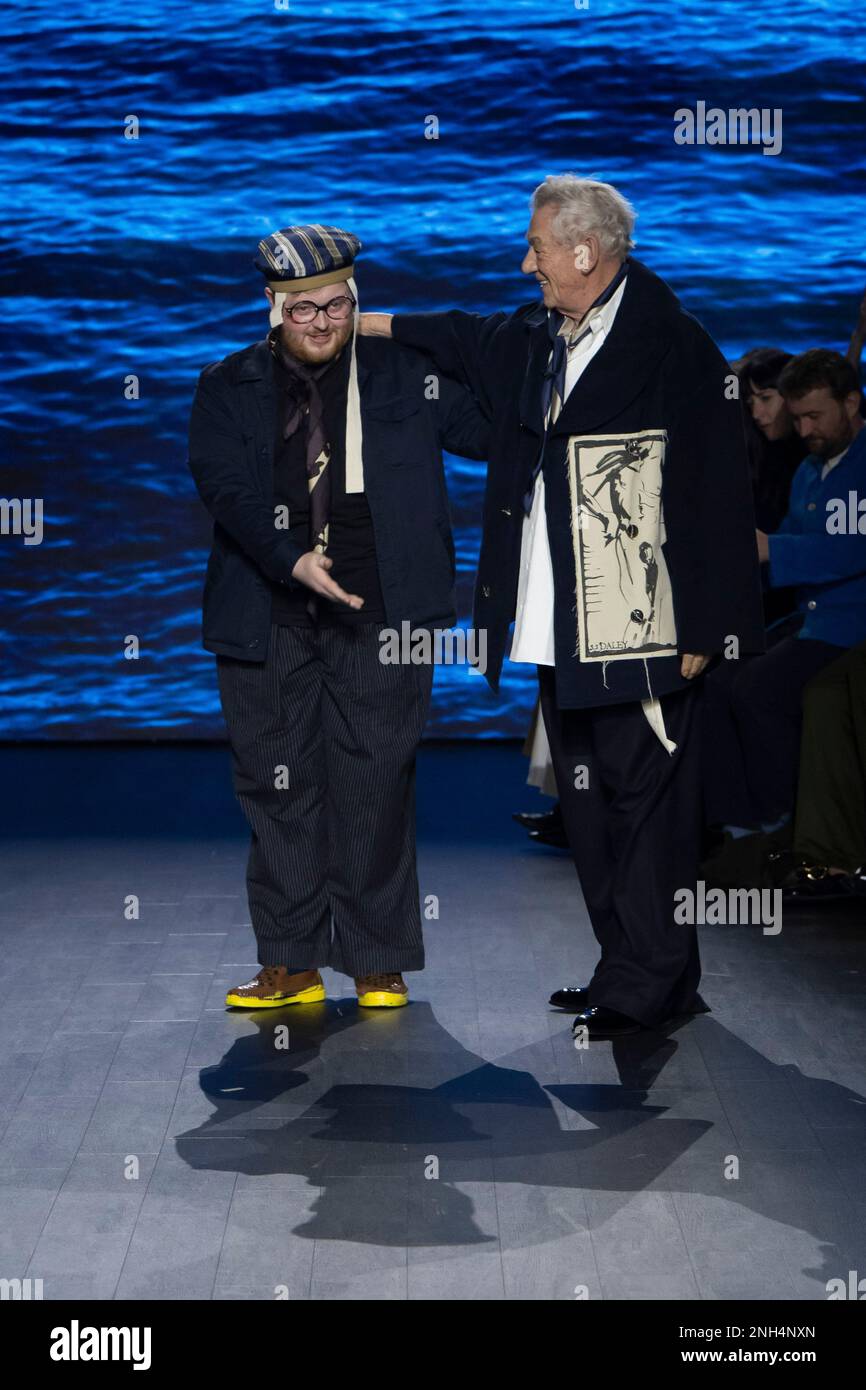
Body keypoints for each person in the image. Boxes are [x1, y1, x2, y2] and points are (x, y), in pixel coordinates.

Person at [360, 175, 765, 1039]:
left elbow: (717, 492)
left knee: (644, 811)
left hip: (641, 624)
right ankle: (640, 971)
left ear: (585, 251)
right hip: (557, 623)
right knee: (587, 811)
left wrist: (707, 625)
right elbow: (463, 337)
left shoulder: (674, 347)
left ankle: (644, 987)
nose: (525, 262)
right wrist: (369, 326)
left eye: (537, 249)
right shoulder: (541, 336)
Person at [188, 224, 488, 1011]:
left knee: (374, 783)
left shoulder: (406, 373)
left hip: (385, 613)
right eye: (303, 311)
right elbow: (225, 487)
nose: (321, 323)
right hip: (268, 609)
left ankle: (376, 958)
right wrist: (291, 559)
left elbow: (494, 433)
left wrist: (458, 339)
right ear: (271, 307)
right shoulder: (226, 383)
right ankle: (290, 962)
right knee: (278, 786)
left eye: (338, 306)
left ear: (358, 301)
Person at [702, 348, 866, 844]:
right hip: (813, 618)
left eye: (815, 416)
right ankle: (734, 823)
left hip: (849, 623)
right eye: (798, 419)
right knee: (715, 683)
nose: (805, 430)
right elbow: (789, 545)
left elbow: (852, 551)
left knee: (759, 689)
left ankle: (783, 820)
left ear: (852, 403)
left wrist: (769, 547)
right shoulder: (809, 471)